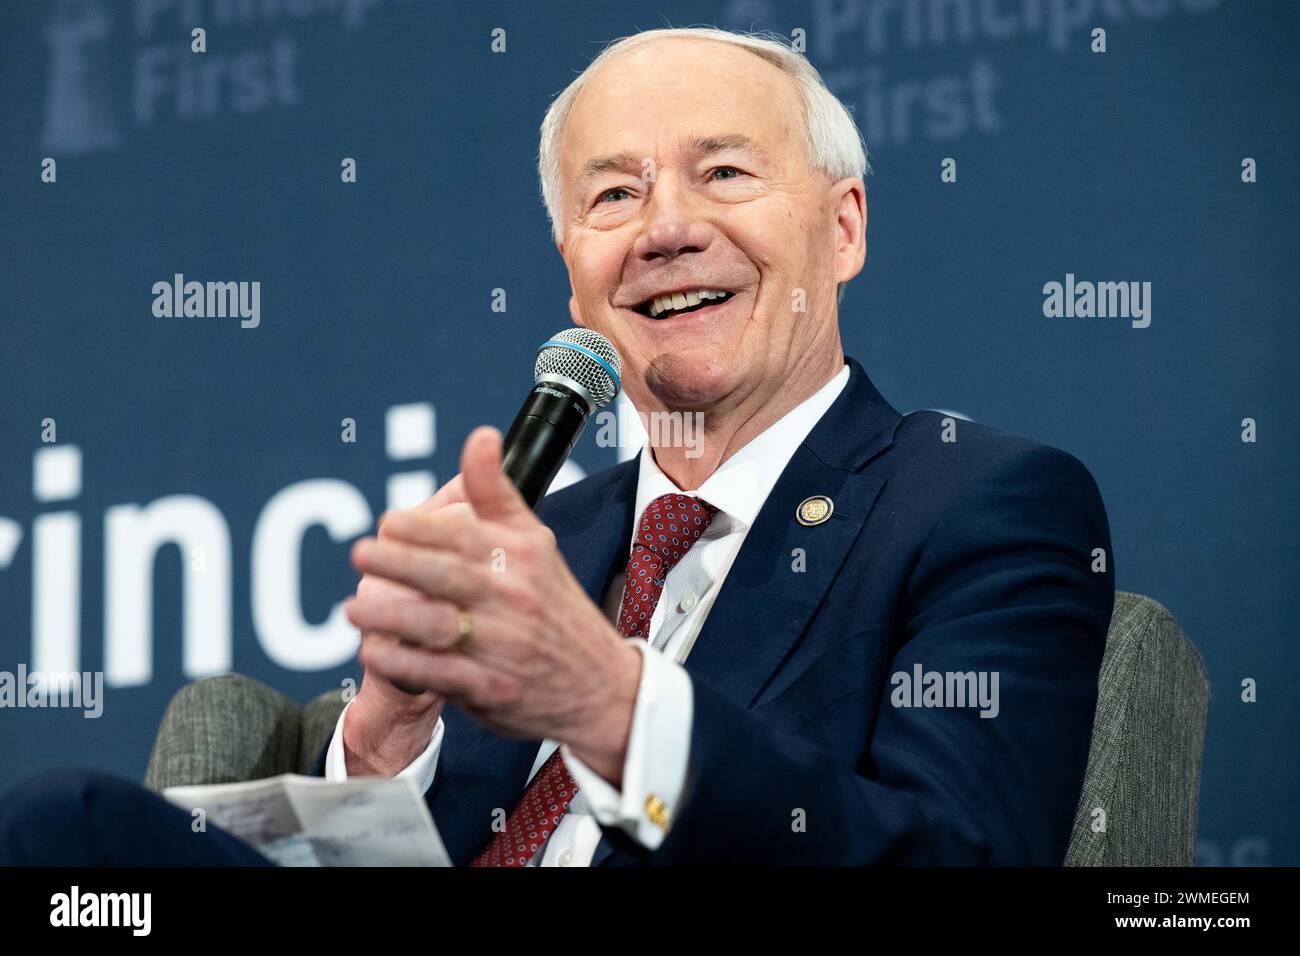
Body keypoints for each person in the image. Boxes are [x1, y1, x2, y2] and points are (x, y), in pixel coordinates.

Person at [0, 27, 1113, 867]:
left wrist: (608, 702)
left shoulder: (978, 502)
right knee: (61, 834)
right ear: (573, 266)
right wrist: (387, 740)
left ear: (843, 226)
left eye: (723, 172)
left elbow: (964, 859)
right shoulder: (535, 547)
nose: (665, 226)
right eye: (614, 193)